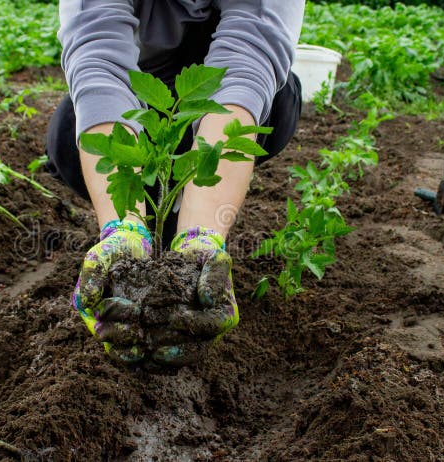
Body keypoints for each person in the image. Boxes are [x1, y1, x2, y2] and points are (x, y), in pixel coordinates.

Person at [46, 0, 305, 365]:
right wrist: (122, 226)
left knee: (277, 107)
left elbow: (249, 60)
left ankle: (188, 224)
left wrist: (203, 236)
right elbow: (99, 62)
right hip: (142, 93)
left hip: (223, 97)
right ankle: (144, 230)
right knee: (68, 134)